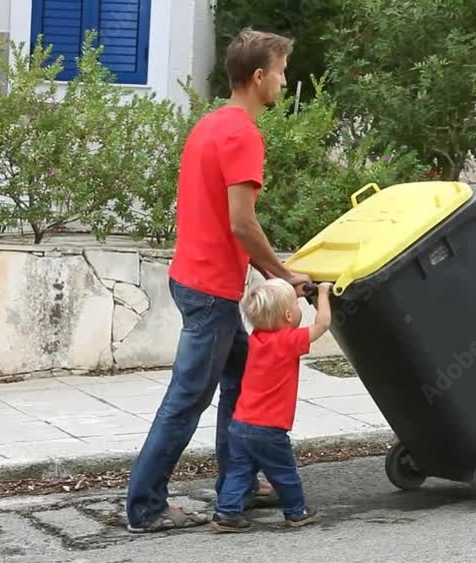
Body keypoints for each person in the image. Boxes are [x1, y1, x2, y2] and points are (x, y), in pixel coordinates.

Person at [124, 28, 313, 533]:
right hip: (210, 292)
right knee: (188, 397)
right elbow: (241, 222)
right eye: (281, 72)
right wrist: (284, 275)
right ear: (259, 77)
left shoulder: (209, 125)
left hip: (196, 280)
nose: (284, 79)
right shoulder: (243, 134)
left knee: (243, 378)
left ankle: (241, 484)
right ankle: (145, 505)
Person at [211, 279, 332, 532]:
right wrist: (323, 293)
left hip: (241, 424)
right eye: (295, 306)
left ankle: (227, 513)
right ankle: (296, 512)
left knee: (239, 471)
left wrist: (292, 296)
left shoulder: (257, 337)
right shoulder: (288, 341)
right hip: (269, 429)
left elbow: (277, 314)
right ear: (288, 315)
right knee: (284, 472)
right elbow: (322, 324)